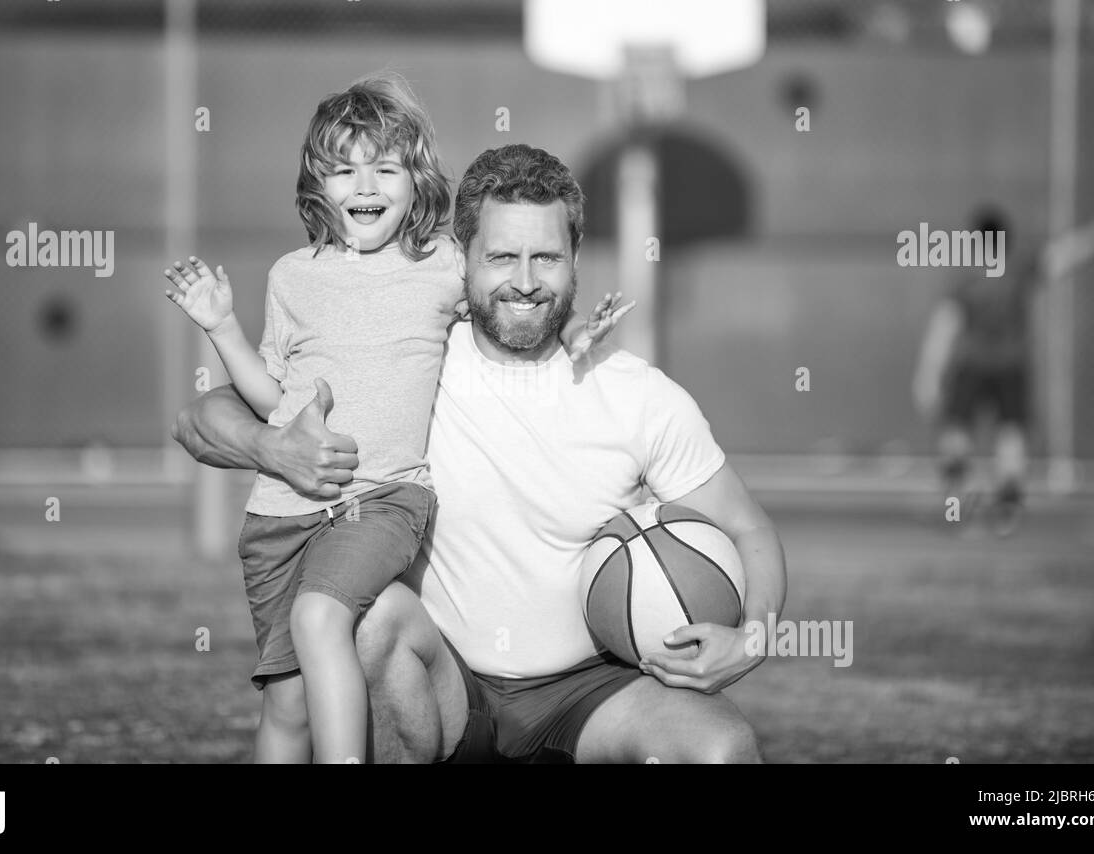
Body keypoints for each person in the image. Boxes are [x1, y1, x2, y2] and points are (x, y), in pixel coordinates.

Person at [174, 143, 787, 763]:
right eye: (501, 257)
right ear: (459, 259)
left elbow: (748, 528)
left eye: (545, 257)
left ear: (575, 258)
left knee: (719, 751)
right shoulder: (408, 358)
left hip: (594, 689)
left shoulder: (639, 395)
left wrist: (753, 639)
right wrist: (272, 446)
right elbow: (199, 420)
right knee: (372, 617)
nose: (524, 281)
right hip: (444, 683)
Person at [159, 78, 628, 764]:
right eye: (343, 169)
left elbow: (504, 320)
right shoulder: (292, 276)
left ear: (417, 182)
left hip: (382, 499)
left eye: (385, 167)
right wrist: (222, 326)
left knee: (321, 617)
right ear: (316, 184)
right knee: (286, 704)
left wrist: (569, 336)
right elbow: (273, 399)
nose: (363, 184)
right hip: (277, 521)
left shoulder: (440, 264)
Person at [912, 203, 1094, 535]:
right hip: (1009, 366)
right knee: (1009, 435)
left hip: (975, 365)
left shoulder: (967, 274)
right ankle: (1004, 511)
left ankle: (958, 505)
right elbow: (1066, 255)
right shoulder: (1016, 265)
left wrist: (928, 374)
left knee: (961, 431)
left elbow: (944, 327)